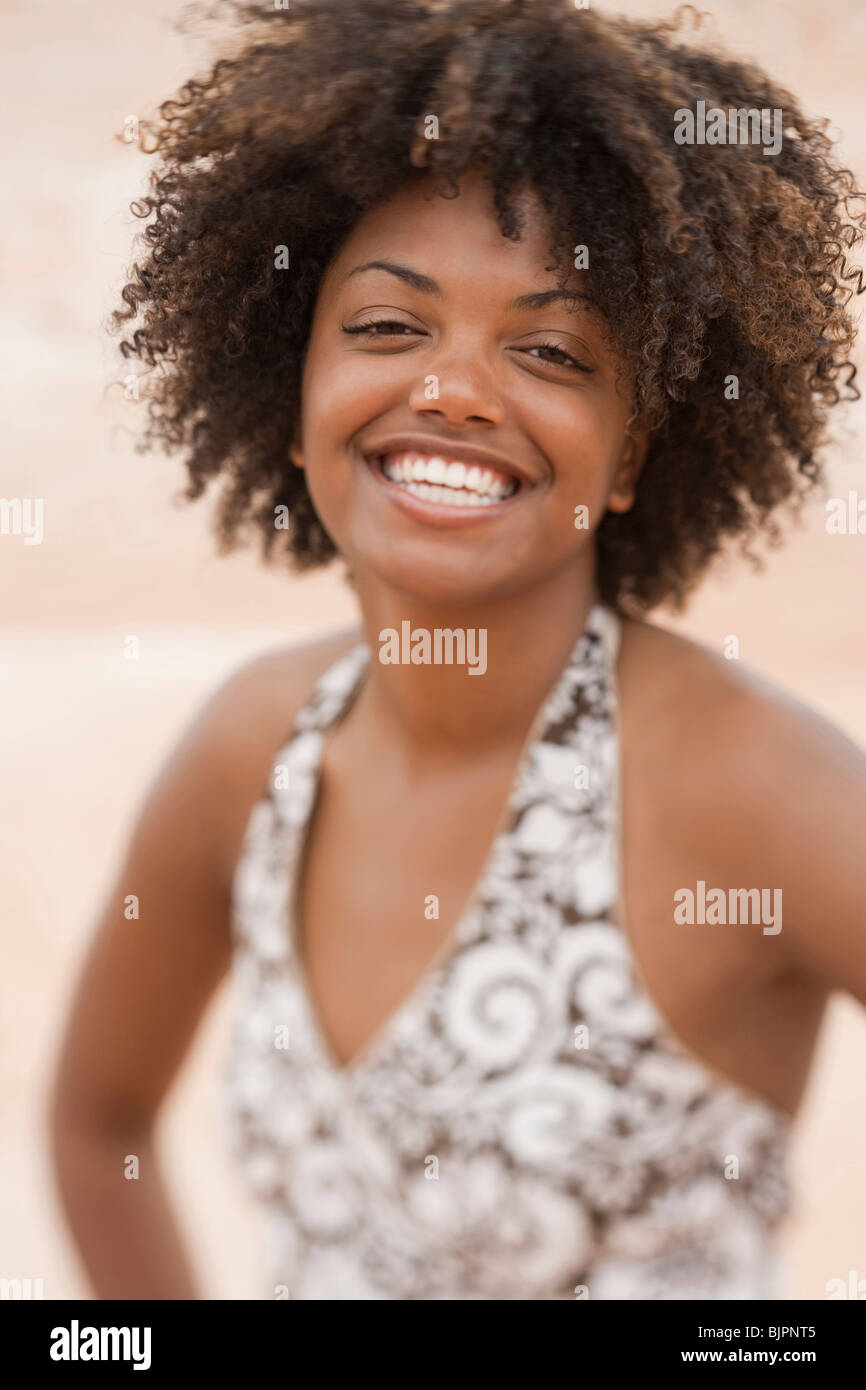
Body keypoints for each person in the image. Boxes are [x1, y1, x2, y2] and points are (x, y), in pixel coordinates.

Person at [50, 0, 866, 1300]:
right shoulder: (251, 748)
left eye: (546, 350)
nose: (455, 390)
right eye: (386, 326)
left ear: (631, 450)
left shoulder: (745, 784)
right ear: (293, 382)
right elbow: (98, 1123)